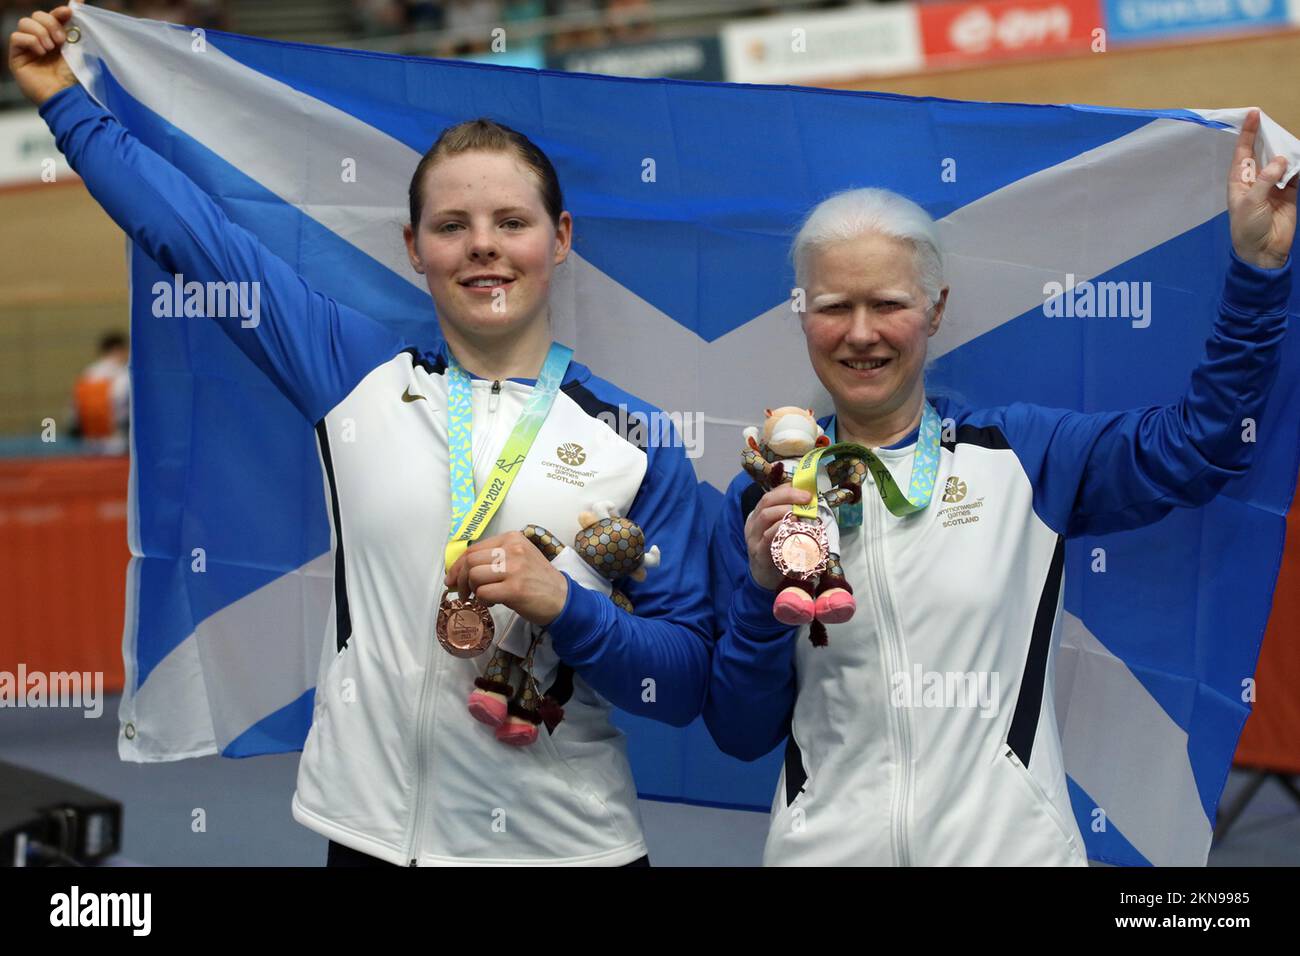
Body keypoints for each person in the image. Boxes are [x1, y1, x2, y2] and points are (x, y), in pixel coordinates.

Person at [11, 5, 712, 867]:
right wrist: (61, 100)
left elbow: (679, 682)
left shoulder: (636, 443)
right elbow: (194, 238)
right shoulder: (353, 372)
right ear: (413, 247)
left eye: (512, 223)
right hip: (371, 841)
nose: (483, 247)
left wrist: (570, 608)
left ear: (559, 240)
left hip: (567, 851)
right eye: (452, 226)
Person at [704, 124, 1295, 864]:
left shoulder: (1024, 456)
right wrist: (763, 593)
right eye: (832, 306)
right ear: (801, 314)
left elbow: (1200, 447)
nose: (860, 334)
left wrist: (1259, 270)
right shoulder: (765, 496)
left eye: (888, 303)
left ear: (936, 308)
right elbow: (738, 730)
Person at [69, 330, 130, 455]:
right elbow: (122, 404)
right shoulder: (123, 374)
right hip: (116, 440)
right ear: (118, 350)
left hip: (88, 440)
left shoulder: (88, 372)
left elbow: (75, 406)